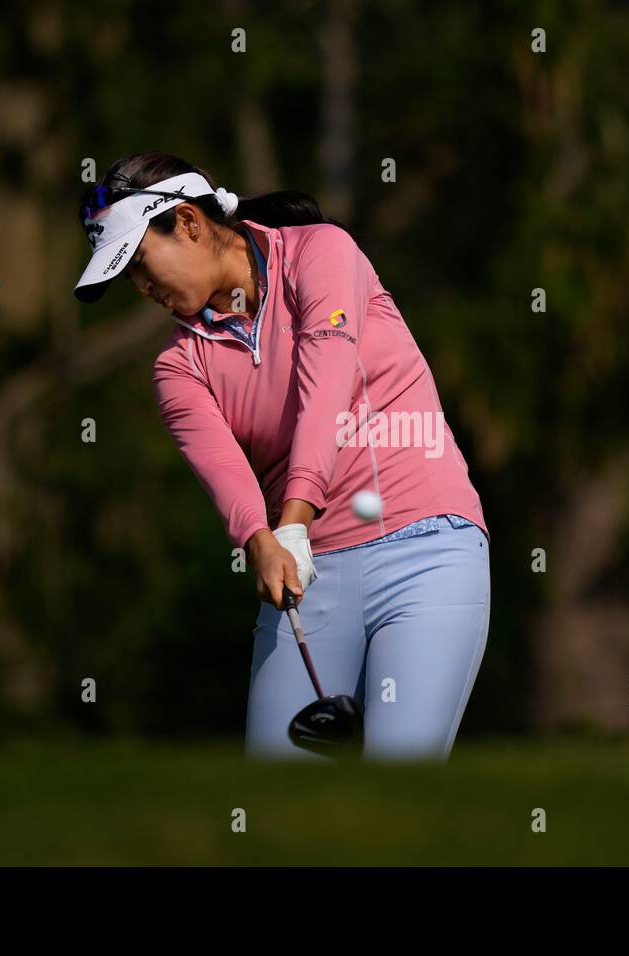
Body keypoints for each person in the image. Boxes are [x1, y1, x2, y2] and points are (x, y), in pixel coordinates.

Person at [73, 151, 490, 761]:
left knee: (400, 774)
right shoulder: (176, 367)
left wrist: (290, 523)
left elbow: (326, 394)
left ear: (188, 223)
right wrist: (260, 540)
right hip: (308, 573)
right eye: (128, 280)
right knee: (277, 797)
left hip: (424, 545)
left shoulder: (320, 252)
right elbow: (227, 476)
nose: (142, 288)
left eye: (138, 263)